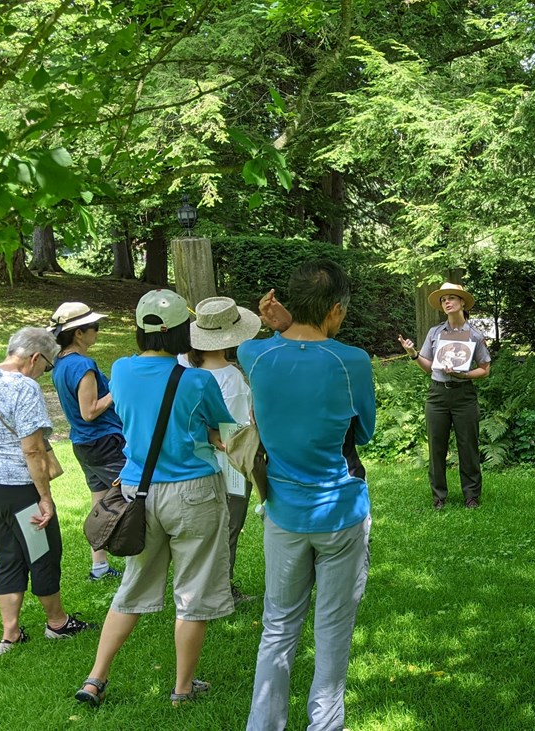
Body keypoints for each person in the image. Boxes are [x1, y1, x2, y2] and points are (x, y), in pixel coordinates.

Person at [75, 289, 235, 708]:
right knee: (193, 592)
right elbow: (222, 432)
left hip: (137, 492)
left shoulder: (121, 370)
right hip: (194, 491)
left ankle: (95, 679)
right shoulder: (198, 380)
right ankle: (182, 689)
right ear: (183, 331)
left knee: (133, 586)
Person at [241, 259, 376, 731]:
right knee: (333, 630)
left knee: (278, 627)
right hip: (341, 512)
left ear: (287, 303)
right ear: (336, 310)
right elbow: (365, 432)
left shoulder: (252, 355)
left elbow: (273, 347)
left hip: (283, 511)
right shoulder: (352, 361)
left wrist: (280, 327)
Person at [0, 327, 96, 654]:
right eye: (47, 366)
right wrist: (45, 498)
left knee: (8, 553)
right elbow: (33, 450)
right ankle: (57, 624)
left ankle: (10, 634)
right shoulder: (24, 388)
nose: (44, 373)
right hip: (15, 487)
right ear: (35, 357)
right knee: (43, 552)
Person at [178, 296, 261, 604]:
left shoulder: (182, 367)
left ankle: (195, 588)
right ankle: (220, 591)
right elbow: (234, 433)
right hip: (229, 466)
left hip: (190, 463)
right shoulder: (230, 378)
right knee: (229, 527)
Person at [48, 302, 125, 582]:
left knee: (99, 503)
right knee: (134, 496)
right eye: (95, 327)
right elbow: (89, 411)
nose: (98, 331)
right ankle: (139, 562)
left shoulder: (59, 363)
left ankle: (99, 567)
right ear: (78, 333)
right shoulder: (83, 365)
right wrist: (118, 388)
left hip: (84, 444)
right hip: (105, 441)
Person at [397, 282, 492, 510]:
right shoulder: (435, 332)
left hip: (464, 395)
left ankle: (471, 495)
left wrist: (463, 374)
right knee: (436, 447)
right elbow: (429, 367)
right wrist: (413, 354)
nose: (446, 302)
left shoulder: (475, 335)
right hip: (437, 395)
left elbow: (485, 369)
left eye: (451, 298)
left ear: (462, 302)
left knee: (468, 447)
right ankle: (438, 496)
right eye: (443, 299)